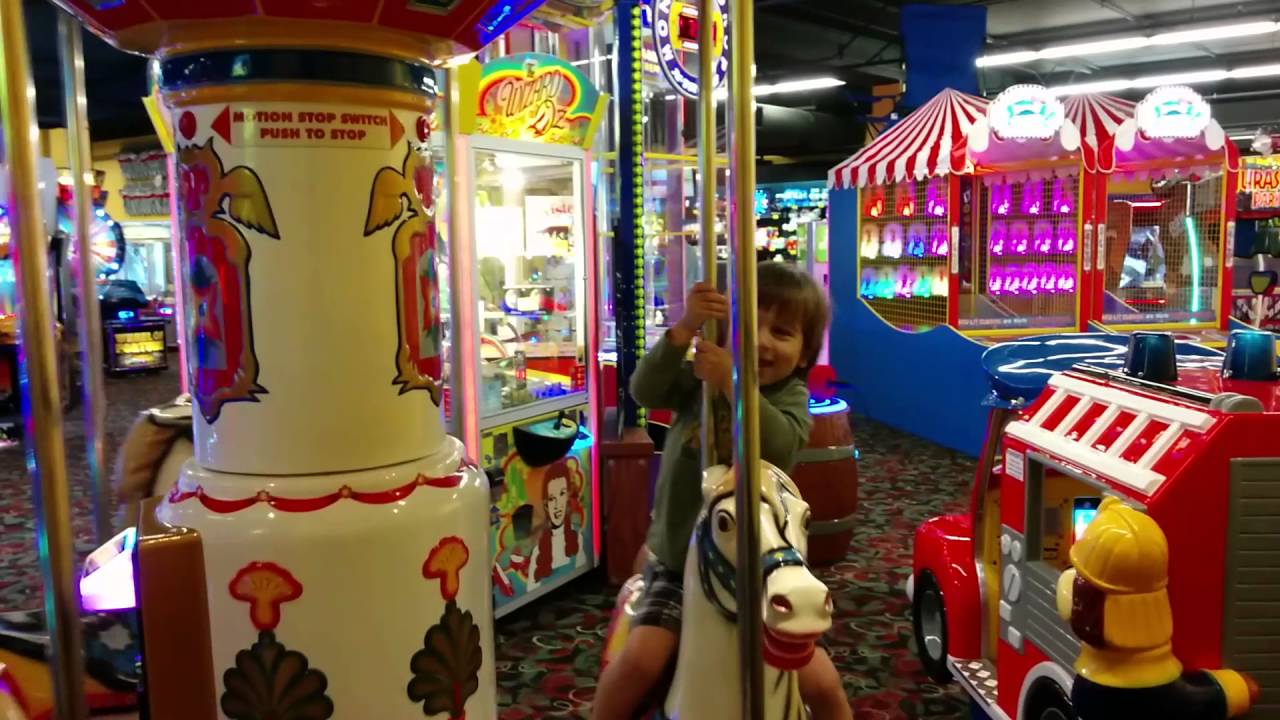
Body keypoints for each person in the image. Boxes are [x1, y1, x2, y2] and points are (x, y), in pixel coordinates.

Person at [591, 262, 850, 720]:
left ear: (806, 353)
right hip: (678, 562)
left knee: (823, 684)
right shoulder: (698, 379)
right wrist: (685, 327)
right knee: (641, 659)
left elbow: (778, 447)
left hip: (759, 572)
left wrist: (735, 383)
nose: (762, 342)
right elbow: (643, 388)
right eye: (749, 327)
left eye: (782, 332)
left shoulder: (787, 396)